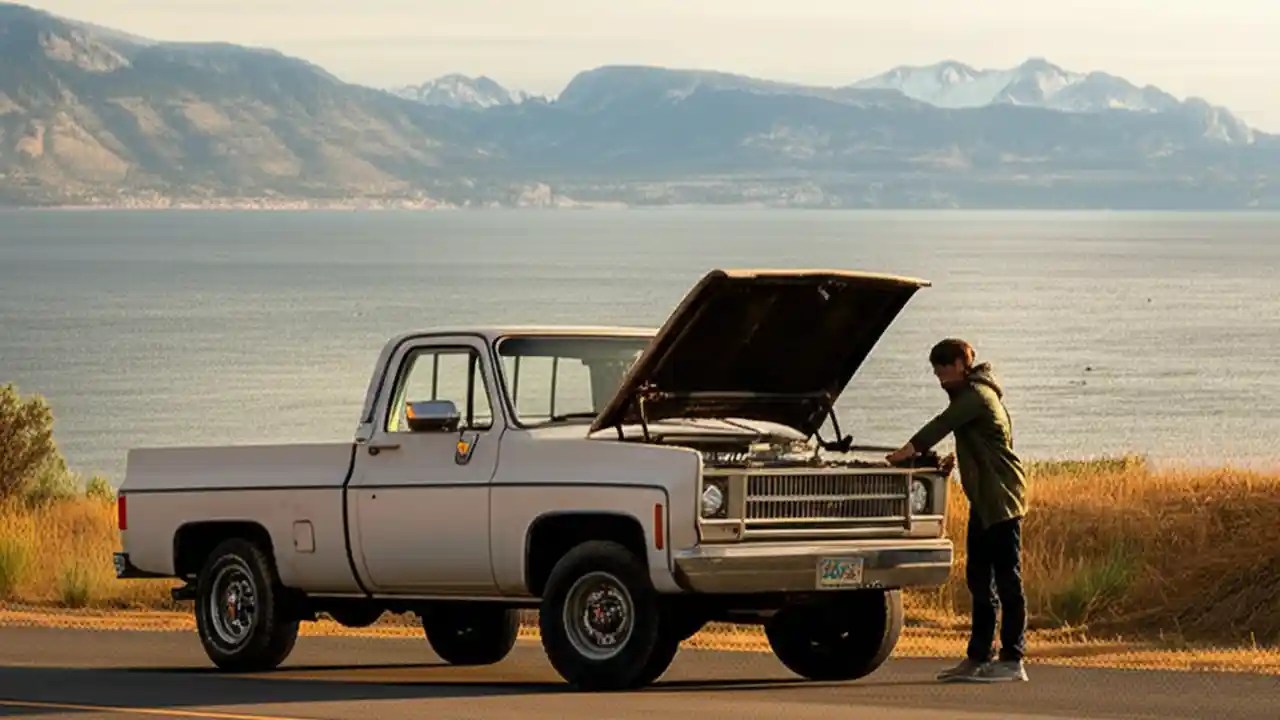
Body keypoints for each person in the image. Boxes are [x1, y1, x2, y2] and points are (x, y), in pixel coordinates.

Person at [885, 338, 1029, 683]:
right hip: (984, 500)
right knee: (979, 579)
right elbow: (974, 440)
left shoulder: (976, 396)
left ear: (960, 365)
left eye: (942, 371)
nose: (939, 379)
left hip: (1001, 498)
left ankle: (1013, 658)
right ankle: (978, 657)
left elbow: (941, 424)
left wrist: (904, 453)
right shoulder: (973, 394)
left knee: (1007, 580)